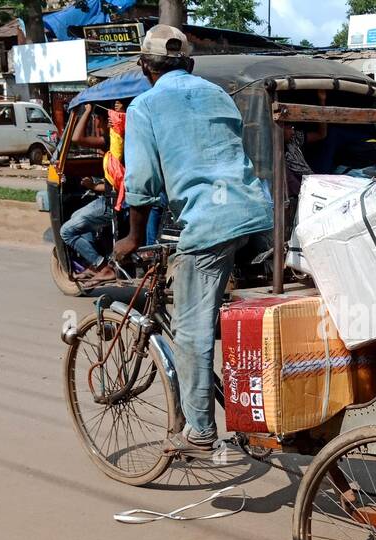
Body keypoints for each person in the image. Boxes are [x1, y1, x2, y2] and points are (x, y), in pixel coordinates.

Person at [114, 25, 273, 457]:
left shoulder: (145, 106)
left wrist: (131, 237)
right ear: (189, 63)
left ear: (146, 68)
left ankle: (200, 430)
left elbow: (143, 183)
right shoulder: (218, 94)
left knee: (191, 329)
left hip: (211, 223)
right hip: (258, 212)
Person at [60, 101, 126, 283]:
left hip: (112, 203)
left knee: (66, 232)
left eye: (98, 120)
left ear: (109, 121)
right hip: (108, 197)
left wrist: (87, 110)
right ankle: (94, 260)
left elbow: (76, 138)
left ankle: (101, 265)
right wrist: (93, 187)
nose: (96, 125)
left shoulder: (116, 141)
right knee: (75, 215)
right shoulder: (114, 141)